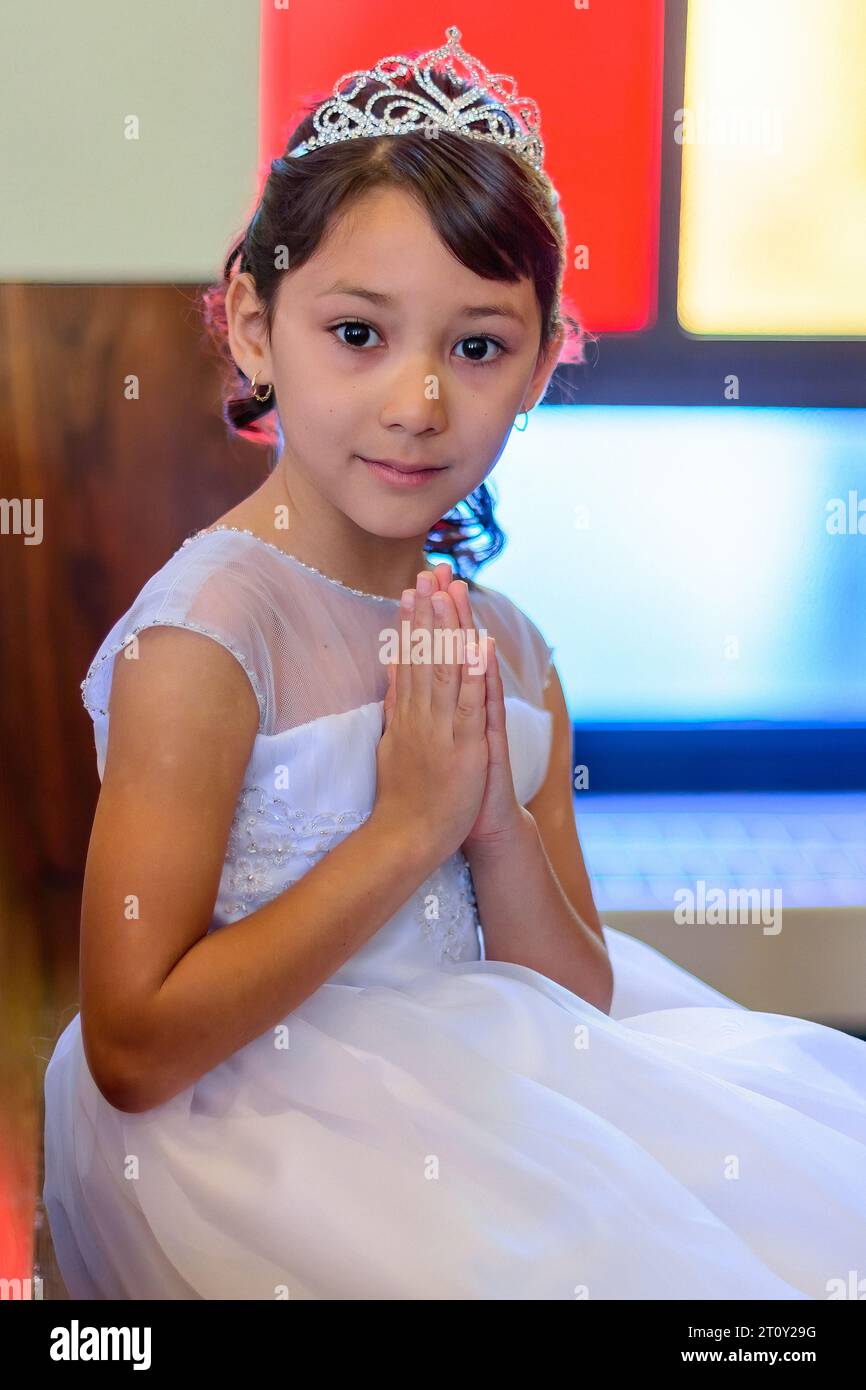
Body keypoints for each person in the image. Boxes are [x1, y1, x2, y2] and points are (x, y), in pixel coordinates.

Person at [43, 26, 866, 1300]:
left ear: (540, 363)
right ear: (255, 329)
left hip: (505, 1072)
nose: (419, 399)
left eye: (476, 347)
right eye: (360, 334)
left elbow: (575, 991)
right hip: (256, 1131)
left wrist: (489, 823)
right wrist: (405, 828)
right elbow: (134, 1049)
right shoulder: (205, 637)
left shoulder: (509, 645)